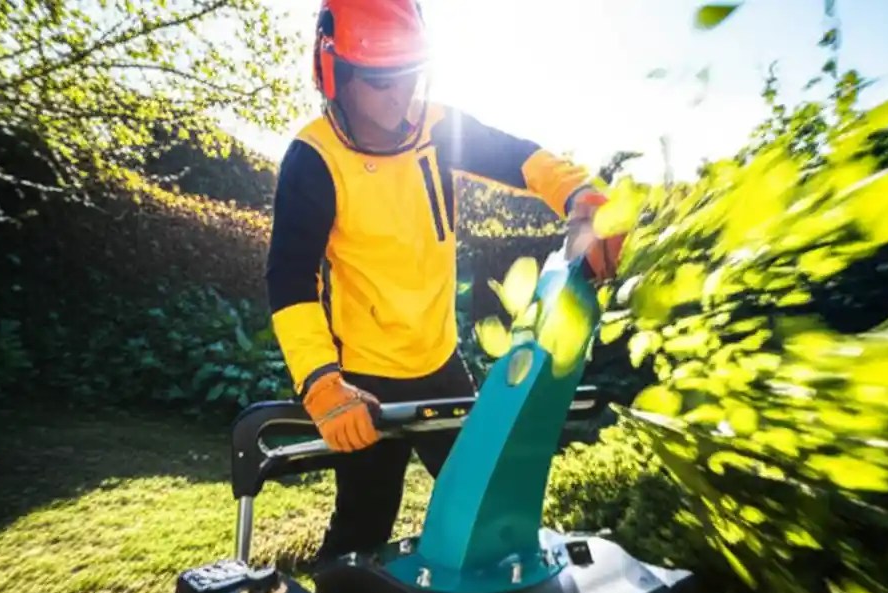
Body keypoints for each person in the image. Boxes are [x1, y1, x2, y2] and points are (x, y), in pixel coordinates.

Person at [264, 0, 624, 562]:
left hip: (440, 364)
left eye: (410, 75)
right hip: (363, 380)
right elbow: (290, 280)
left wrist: (582, 195)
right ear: (334, 75)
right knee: (363, 526)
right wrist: (321, 385)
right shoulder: (313, 159)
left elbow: (522, 158)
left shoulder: (437, 127)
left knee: (489, 503)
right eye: (382, 81)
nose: (401, 96)